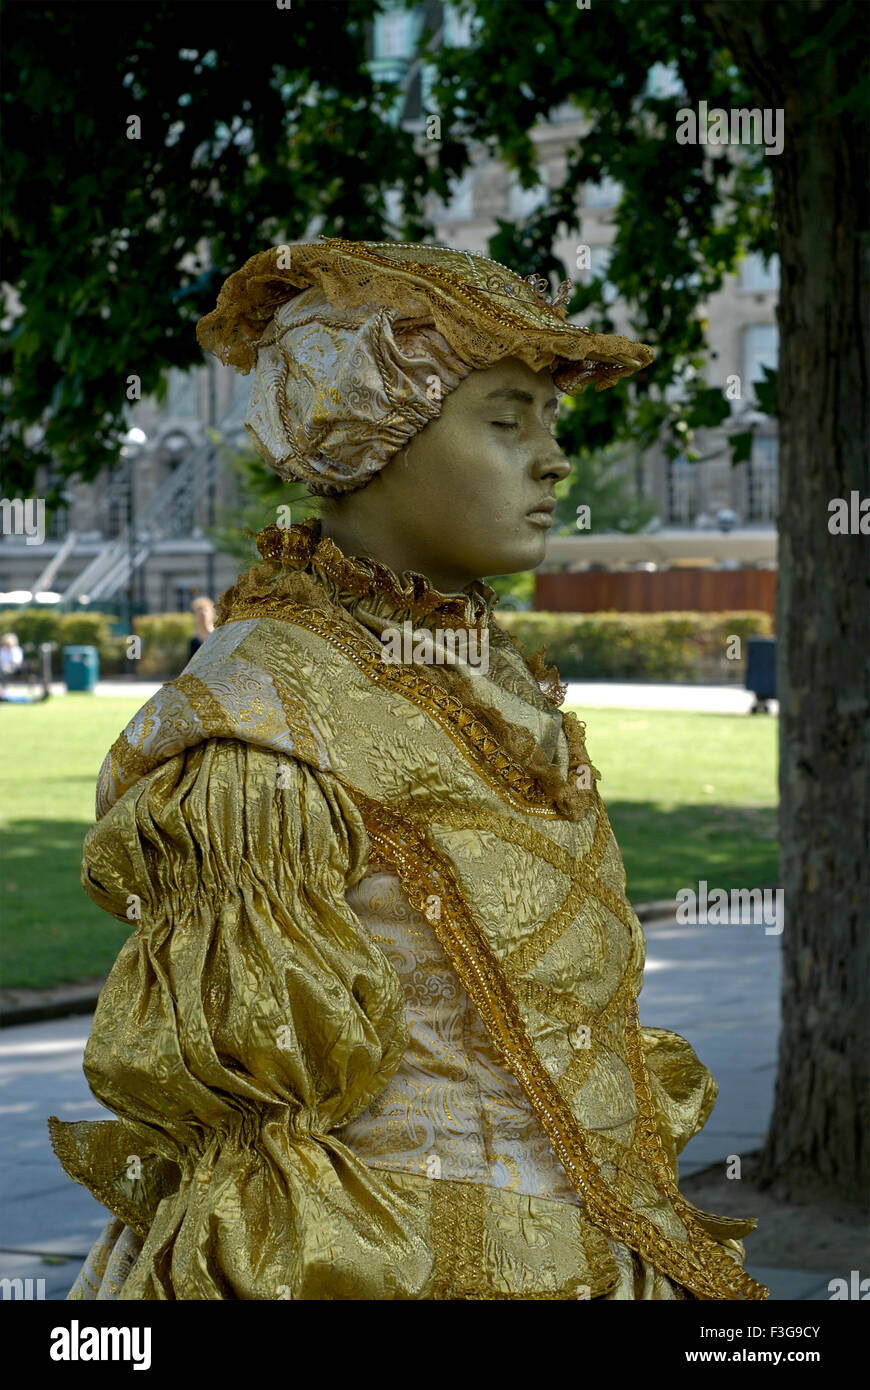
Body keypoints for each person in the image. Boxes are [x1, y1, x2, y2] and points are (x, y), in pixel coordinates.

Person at [49, 237, 767, 1301]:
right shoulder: (270, 729)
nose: (554, 460)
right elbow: (265, 1165)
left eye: (550, 422)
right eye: (506, 418)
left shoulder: (487, 676)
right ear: (370, 432)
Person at [188, 595, 215, 660]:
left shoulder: (220, 635)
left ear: (213, 613)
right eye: (198, 612)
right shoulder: (193, 642)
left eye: (205, 610)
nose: (202, 614)